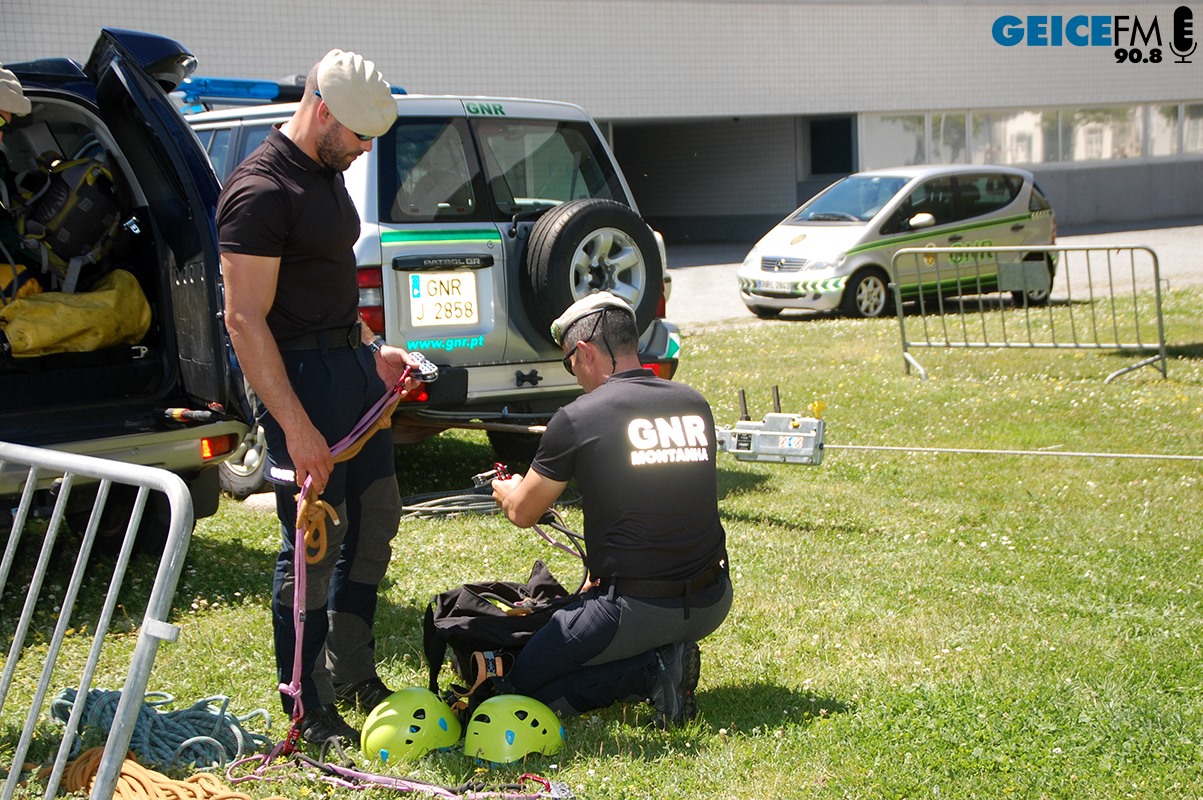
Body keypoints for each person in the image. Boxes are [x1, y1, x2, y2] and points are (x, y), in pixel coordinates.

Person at [217, 48, 417, 745]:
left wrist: (371, 349)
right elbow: (244, 320)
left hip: (349, 372)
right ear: (322, 110)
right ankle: (307, 704)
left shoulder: (323, 172)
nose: (365, 151)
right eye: (359, 136)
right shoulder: (260, 190)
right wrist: (295, 429)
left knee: (376, 514)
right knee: (310, 546)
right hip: (299, 382)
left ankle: (355, 672)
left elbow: (323, 287)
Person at [491, 291, 732, 728]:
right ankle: (663, 657)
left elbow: (524, 512)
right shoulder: (694, 402)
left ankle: (648, 673)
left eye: (569, 363)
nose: (573, 375)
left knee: (517, 691)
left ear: (584, 351)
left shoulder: (578, 417)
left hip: (635, 608)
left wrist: (506, 489)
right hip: (711, 598)